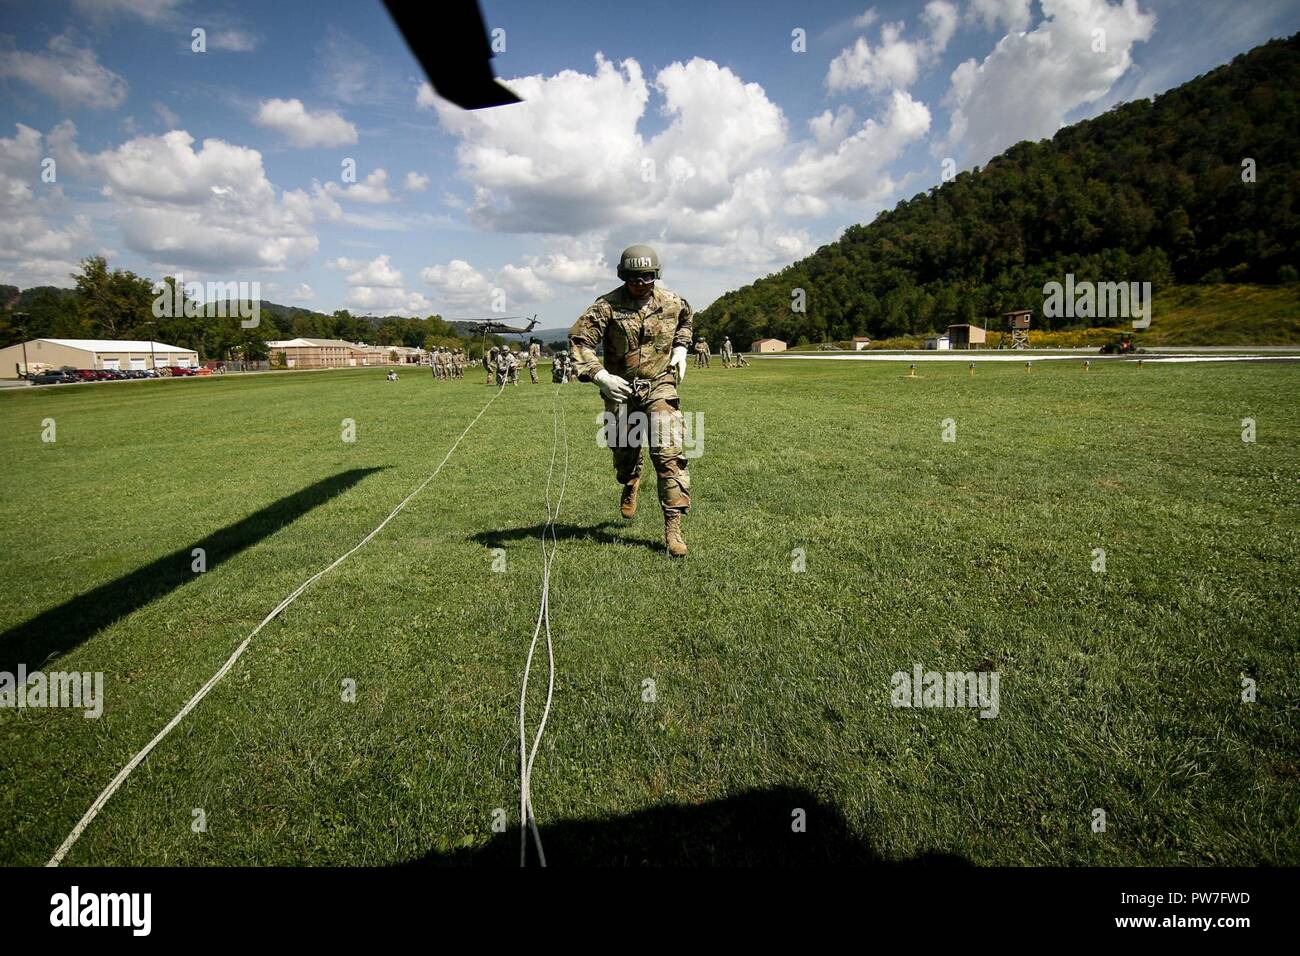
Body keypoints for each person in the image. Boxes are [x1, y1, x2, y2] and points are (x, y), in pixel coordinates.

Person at [568, 244, 693, 557]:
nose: (641, 283)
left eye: (647, 277)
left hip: (660, 385)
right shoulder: (606, 307)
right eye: (635, 278)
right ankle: (631, 480)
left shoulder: (673, 301)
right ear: (624, 276)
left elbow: (686, 322)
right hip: (620, 389)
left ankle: (673, 527)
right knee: (624, 453)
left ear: (655, 276)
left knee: (669, 454)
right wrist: (600, 376)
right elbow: (580, 342)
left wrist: (681, 348)